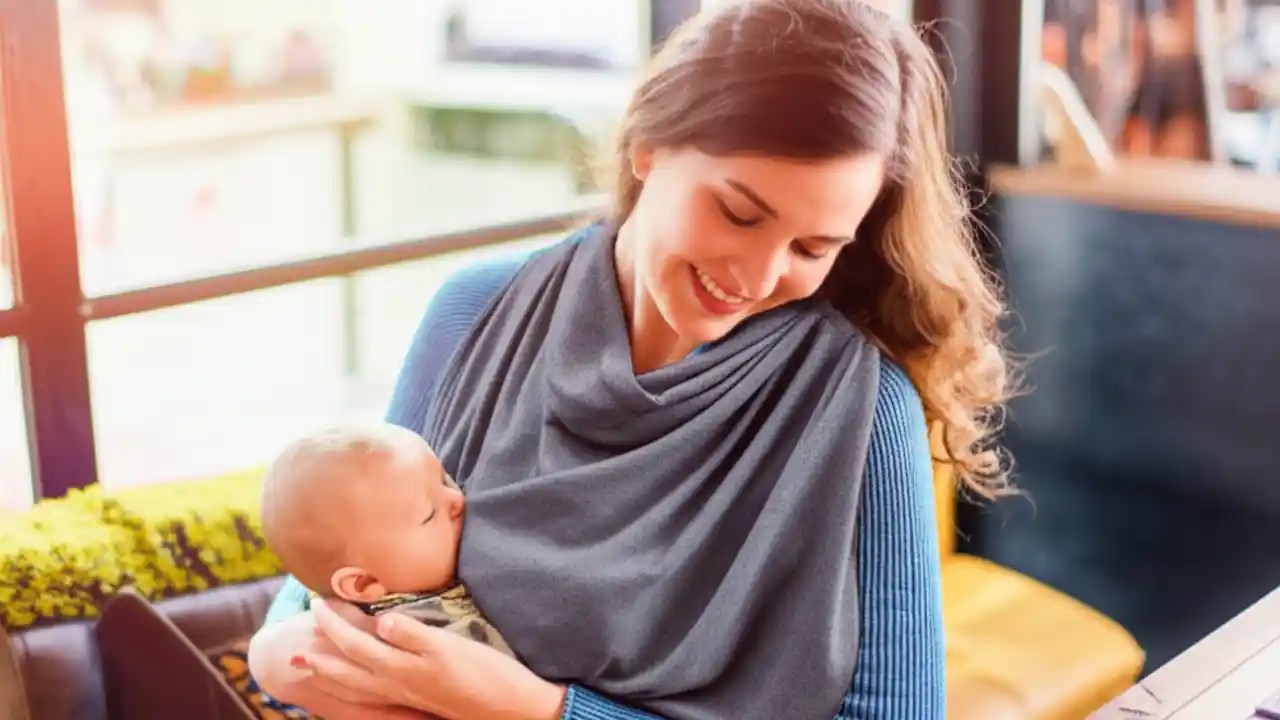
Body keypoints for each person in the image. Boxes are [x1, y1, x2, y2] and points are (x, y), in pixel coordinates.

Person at [248, 0, 1014, 718]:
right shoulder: (474, 311)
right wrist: (275, 656)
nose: (755, 276)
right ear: (649, 144)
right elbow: (329, 574)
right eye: (738, 212)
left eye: (812, 248)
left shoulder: (861, 407)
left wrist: (539, 709)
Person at [257, 423, 514, 719]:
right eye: (429, 513)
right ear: (365, 583)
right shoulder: (422, 634)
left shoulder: (329, 597)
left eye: (445, 480)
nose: (457, 500)